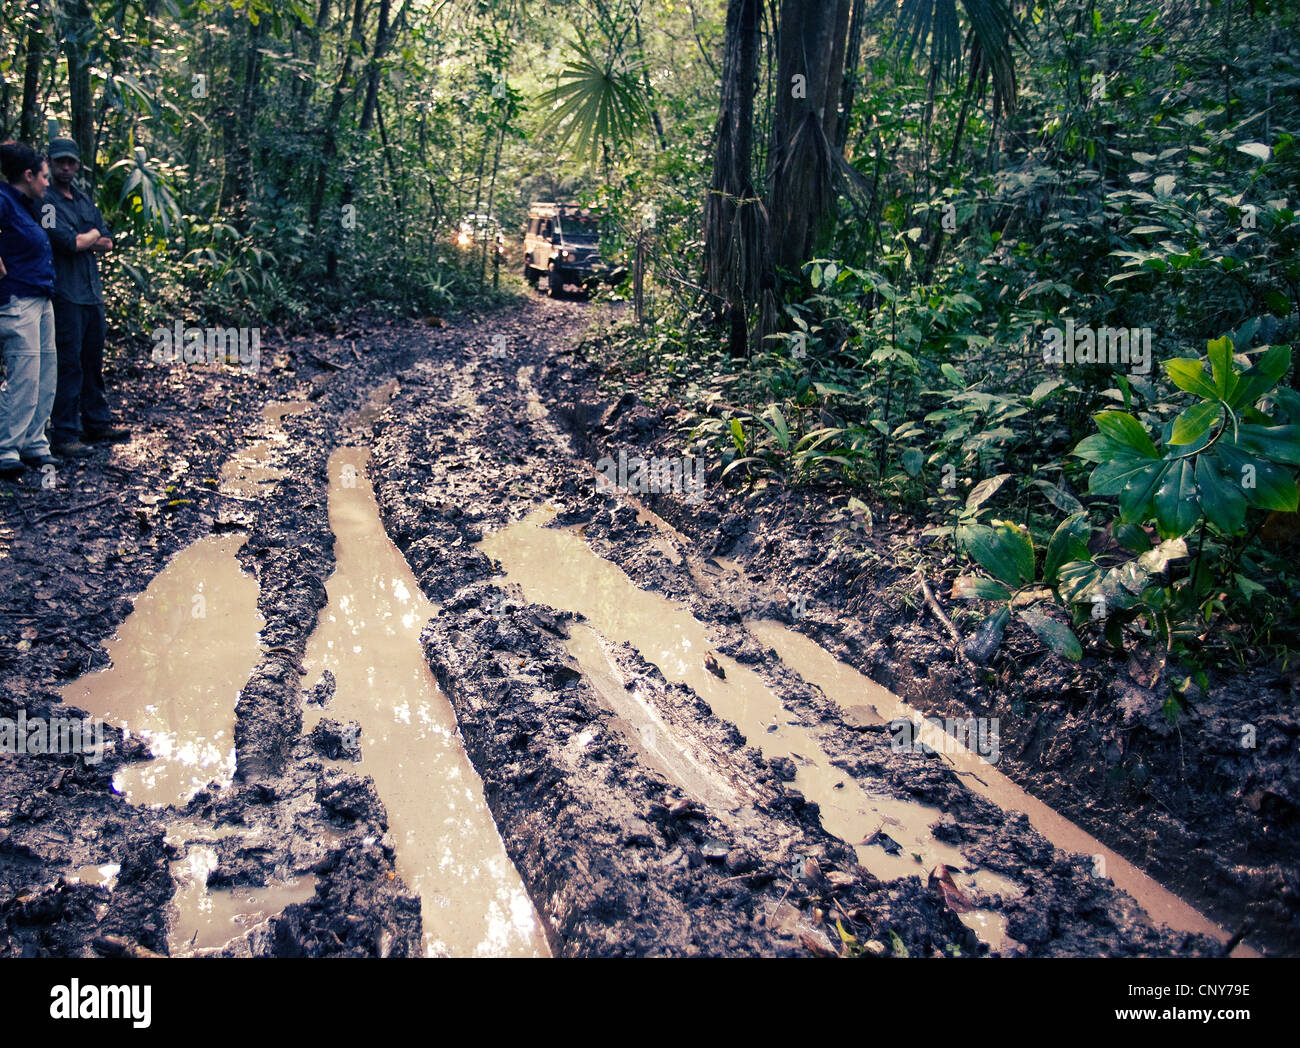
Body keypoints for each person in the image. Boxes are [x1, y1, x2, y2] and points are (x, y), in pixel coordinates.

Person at [45, 137, 128, 457]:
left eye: (70, 162)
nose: (65, 167)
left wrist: (88, 237)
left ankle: (96, 423)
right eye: (59, 162)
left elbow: (107, 241)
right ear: (50, 163)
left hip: (92, 292)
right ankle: (65, 433)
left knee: (92, 361)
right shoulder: (46, 202)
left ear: (77, 164)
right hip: (66, 293)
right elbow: (66, 242)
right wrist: (90, 237)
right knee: (69, 363)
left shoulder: (82, 199)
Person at [0, 141, 55, 481]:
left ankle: (34, 440)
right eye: (44, 176)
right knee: (23, 372)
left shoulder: (25, 204)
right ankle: (5, 447)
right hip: (18, 298)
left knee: (45, 370)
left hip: (40, 296)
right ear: (28, 174)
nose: (47, 182)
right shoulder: (4, 200)